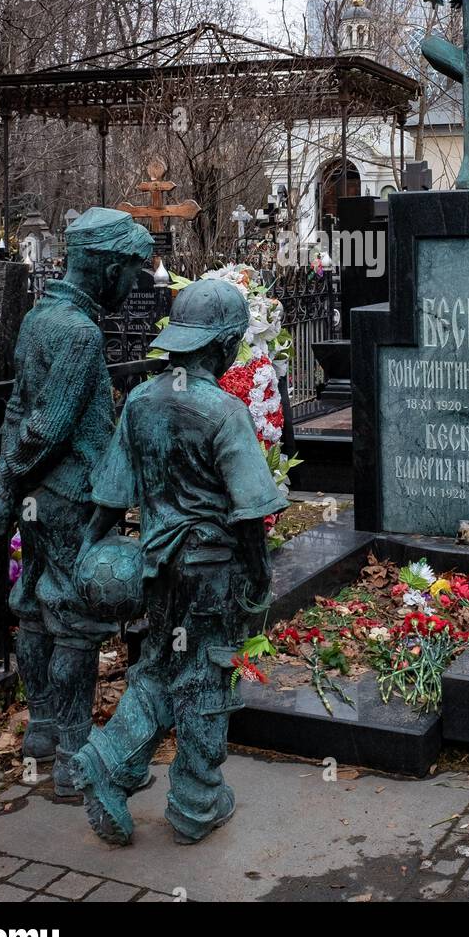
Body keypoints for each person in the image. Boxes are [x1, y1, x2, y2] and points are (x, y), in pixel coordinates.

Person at [70, 278, 288, 845]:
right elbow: (249, 514)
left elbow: (112, 494)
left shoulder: (141, 401)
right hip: (212, 573)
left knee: (158, 668)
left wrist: (91, 546)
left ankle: (108, 759)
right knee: (206, 674)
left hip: (156, 566)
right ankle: (196, 799)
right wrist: (259, 580)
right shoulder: (222, 411)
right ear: (220, 346)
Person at [0, 207, 154, 795]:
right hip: (71, 494)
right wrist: (10, 481)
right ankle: (74, 760)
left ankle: (42, 729)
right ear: (105, 267)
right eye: (132, 272)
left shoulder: (39, 318)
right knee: (75, 620)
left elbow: (15, 411)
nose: (137, 285)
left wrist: (8, 487)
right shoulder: (80, 334)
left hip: (35, 495)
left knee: (33, 603)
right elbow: (46, 426)